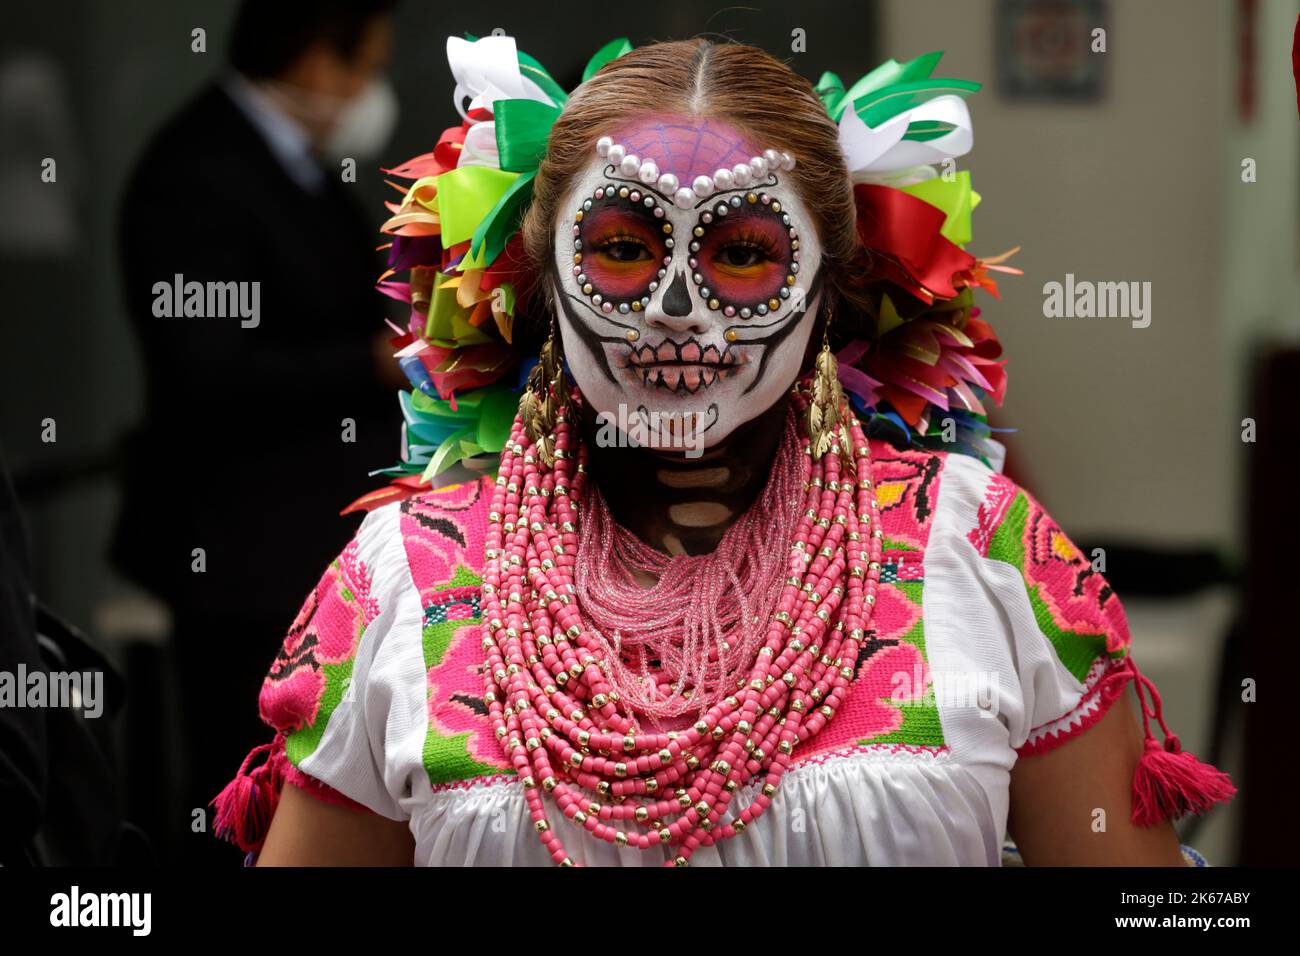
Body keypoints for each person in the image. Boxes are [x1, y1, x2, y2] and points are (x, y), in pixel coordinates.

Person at [211, 34, 1235, 866]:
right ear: (541, 273)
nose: (677, 313)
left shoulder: (974, 549)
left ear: (829, 285)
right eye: (621, 247)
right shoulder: (405, 575)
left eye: (743, 253)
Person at [111, 0, 400, 862]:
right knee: (242, 795)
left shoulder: (304, 171)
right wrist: (369, 363)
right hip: (238, 557)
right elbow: (208, 371)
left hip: (301, 549)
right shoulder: (197, 172)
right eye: (364, 65)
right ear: (317, 58)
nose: (369, 90)